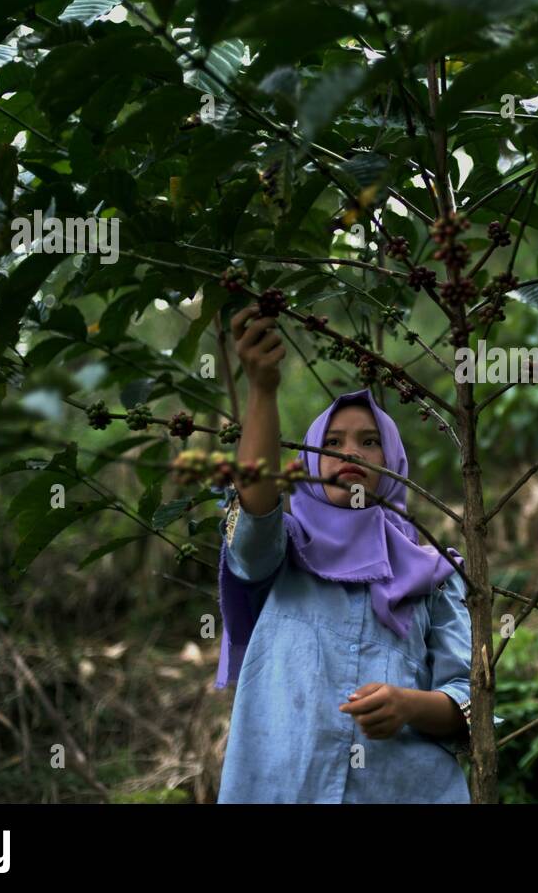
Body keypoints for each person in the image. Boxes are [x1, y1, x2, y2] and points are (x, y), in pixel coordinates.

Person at [214, 304, 473, 803]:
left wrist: (410, 704)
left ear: (392, 460)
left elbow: (469, 699)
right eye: (331, 442)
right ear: (308, 460)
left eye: (369, 441)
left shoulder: (438, 573)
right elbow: (255, 508)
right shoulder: (282, 548)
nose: (349, 452)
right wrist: (263, 390)